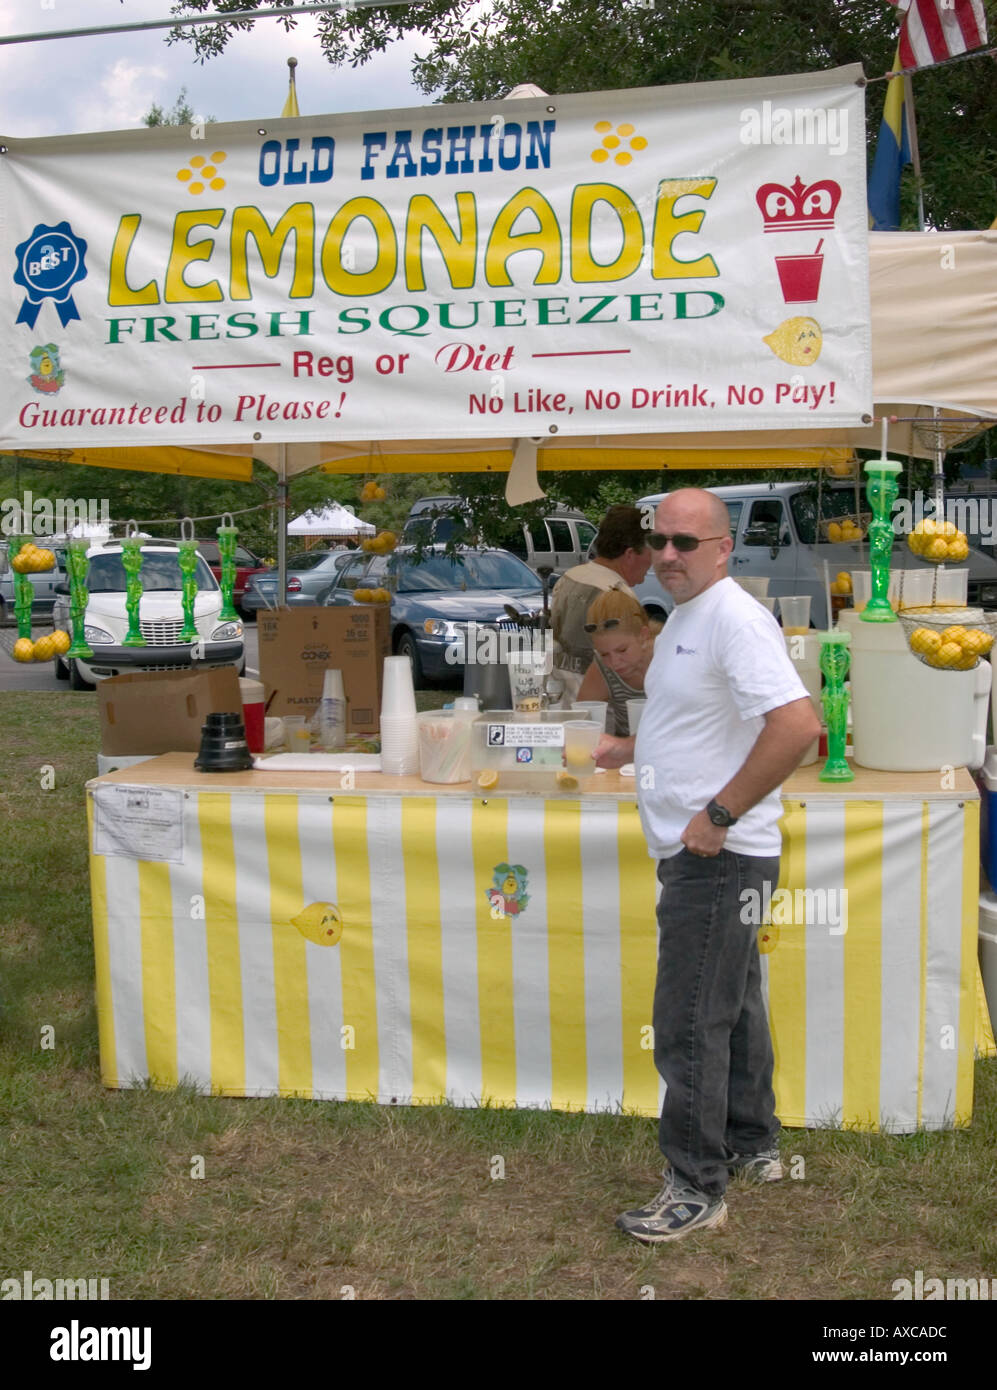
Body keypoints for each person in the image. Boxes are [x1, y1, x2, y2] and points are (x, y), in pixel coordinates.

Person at [597, 487, 821, 1243]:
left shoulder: (732, 618)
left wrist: (718, 814)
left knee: (689, 1018)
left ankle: (694, 1185)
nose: (666, 554)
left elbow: (797, 728)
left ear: (723, 549)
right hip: (708, 852)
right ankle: (751, 1141)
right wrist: (631, 750)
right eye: (658, 540)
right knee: (733, 1003)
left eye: (684, 543)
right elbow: (702, 722)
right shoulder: (690, 617)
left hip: (718, 855)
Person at [549, 504, 652, 703]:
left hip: (561, 699)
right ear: (630, 554)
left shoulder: (570, 577)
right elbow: (628, 668)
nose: (652, 562)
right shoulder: (618, 595)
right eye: (649, 552)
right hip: (598, 708)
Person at [575, 590, 660, 736]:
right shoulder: (601, 667)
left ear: (643, 635)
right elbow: (581, 721)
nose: (614, 663)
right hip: (623, 755)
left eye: (622, 650)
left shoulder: (666, 657)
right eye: (604, 654)